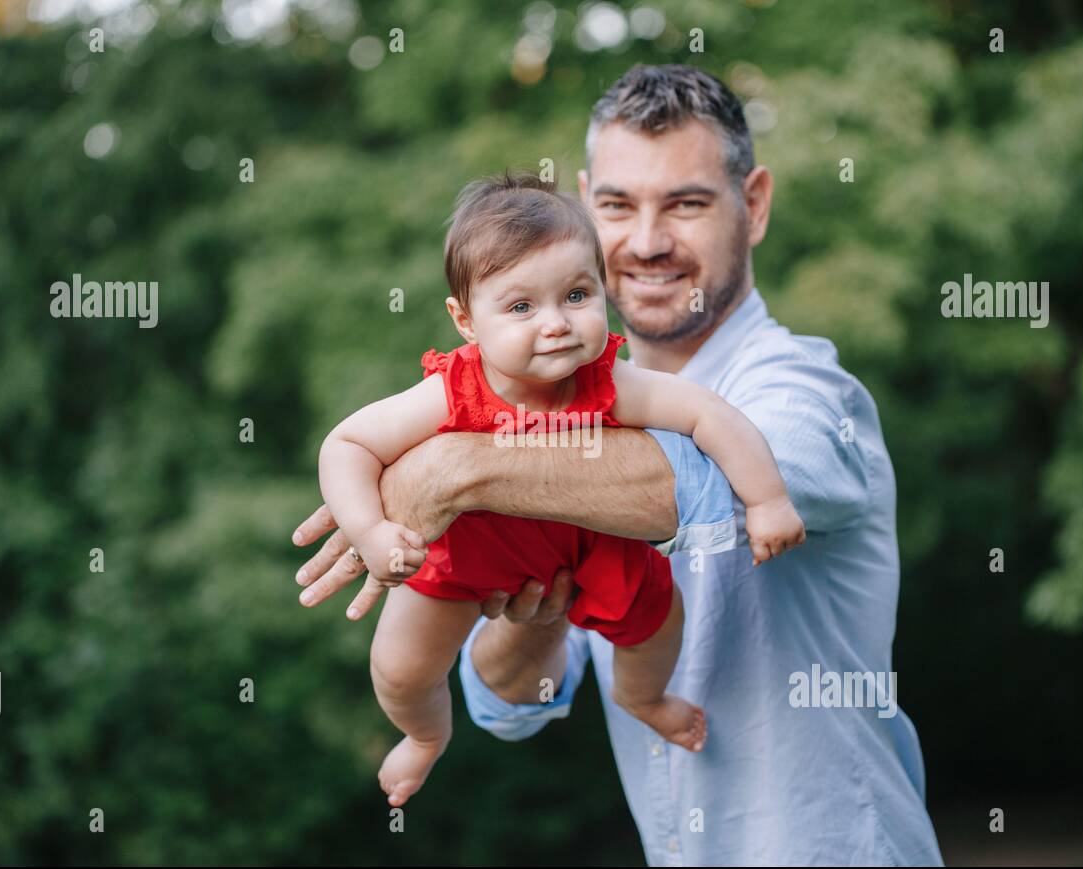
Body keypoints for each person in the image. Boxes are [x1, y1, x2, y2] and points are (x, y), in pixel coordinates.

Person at [294, 64, 944, 865]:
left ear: (756, 204)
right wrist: (533, 620)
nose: (645, 242)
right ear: (579, 212)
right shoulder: (529, 394)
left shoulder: (808, 391)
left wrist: (459, 467)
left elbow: (700, 484)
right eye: (615, 206)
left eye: (687, 203)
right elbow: (511, 708)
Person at [318, 171, 804, 807]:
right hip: (470, 559)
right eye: (520, 307)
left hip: (595, 549)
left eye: (577, 295)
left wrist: (767, 500)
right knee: (400, 666)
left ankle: (643, 697)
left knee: (658, 622)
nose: (556, 324)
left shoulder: (607, 380)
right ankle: (425, 736)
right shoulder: (453, 391)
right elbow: (347, 445)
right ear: (465, 321)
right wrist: (372, 530)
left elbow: (708, 415)